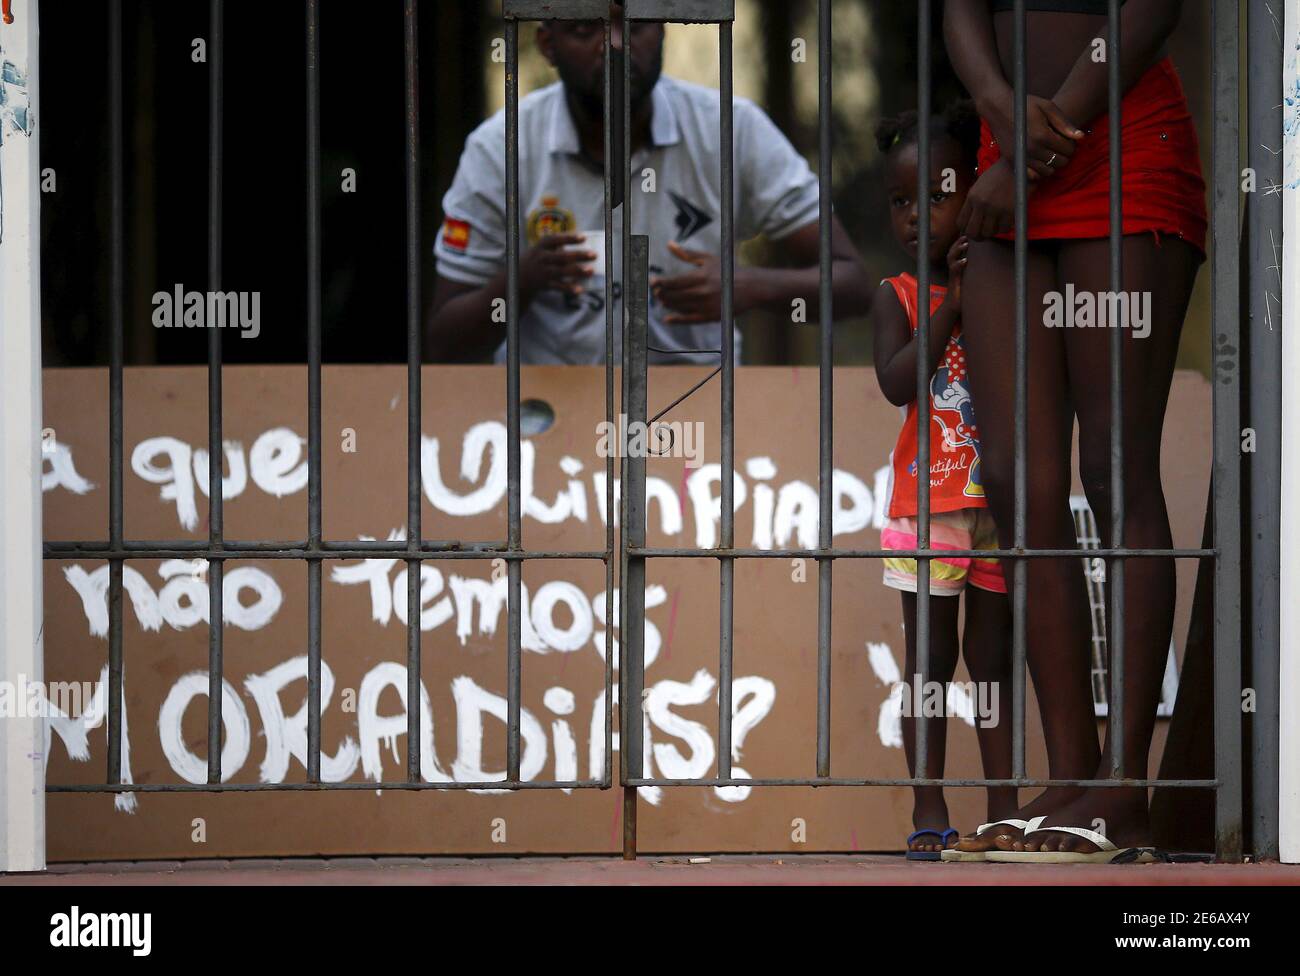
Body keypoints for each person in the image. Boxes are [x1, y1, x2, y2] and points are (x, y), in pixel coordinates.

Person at [943, 0, 1206, 861]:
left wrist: (1026, 150)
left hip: (1119, 151)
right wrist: (993, 104)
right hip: (1006, 157)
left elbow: (1153, 12)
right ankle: (1069, 778)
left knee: (1115, 468)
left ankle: (1123, 788)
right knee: (1017, 483)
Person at [427, 3, 871, 365]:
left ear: (662, 29)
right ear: (547, 44)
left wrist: (747, 286)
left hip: (699, 420)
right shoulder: (499, 148)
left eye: (636, 25)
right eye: (586, 29)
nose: (616, 45)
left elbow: (853, 285)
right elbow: (444, 345)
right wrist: (522, 282)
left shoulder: (732, 130)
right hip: (544, 424)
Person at [872, 102, 1016, 860]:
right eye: (900, 200)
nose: (917, 214)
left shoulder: (1008, 280)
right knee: (931, 662)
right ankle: (929, 800)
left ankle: (1004, 809)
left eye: (938, 192)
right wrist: (951, 306)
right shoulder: (896, 295)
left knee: (993, 661)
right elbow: (899, 384)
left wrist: (977, 292)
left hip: (996, 503)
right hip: (926, 507)